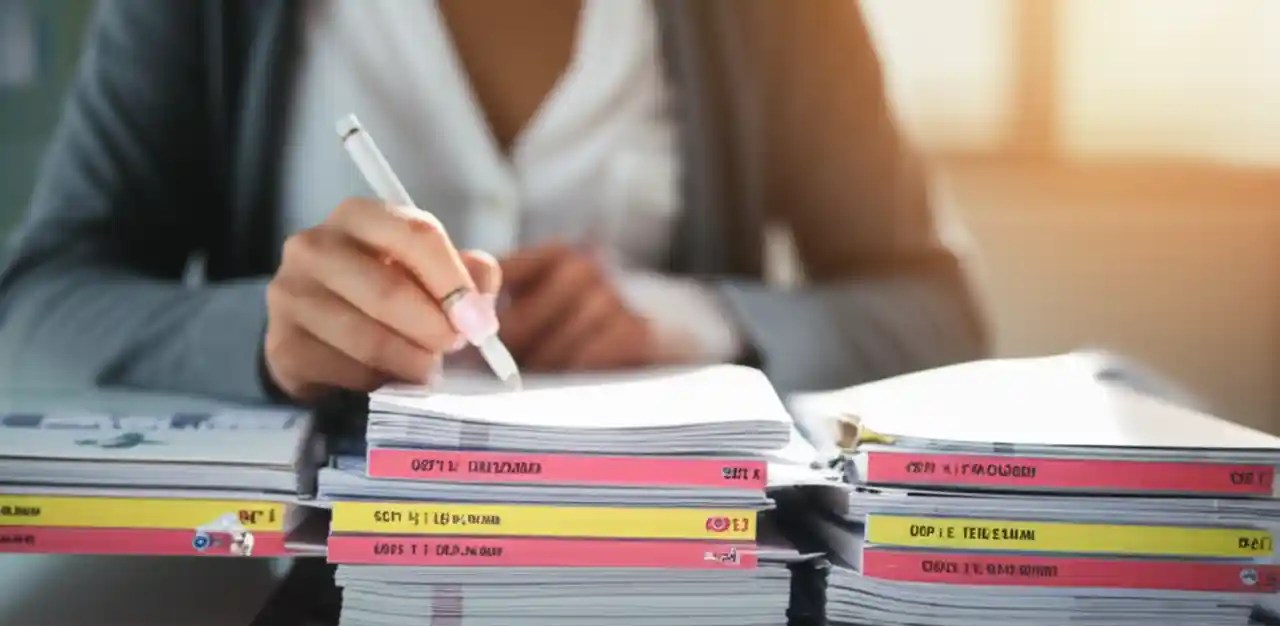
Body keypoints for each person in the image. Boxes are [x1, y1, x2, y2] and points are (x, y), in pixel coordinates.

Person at [0, 0, 987, 406]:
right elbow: (38, 303)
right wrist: (264, 338)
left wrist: (690, 323)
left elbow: (939, 316)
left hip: (671, 605)